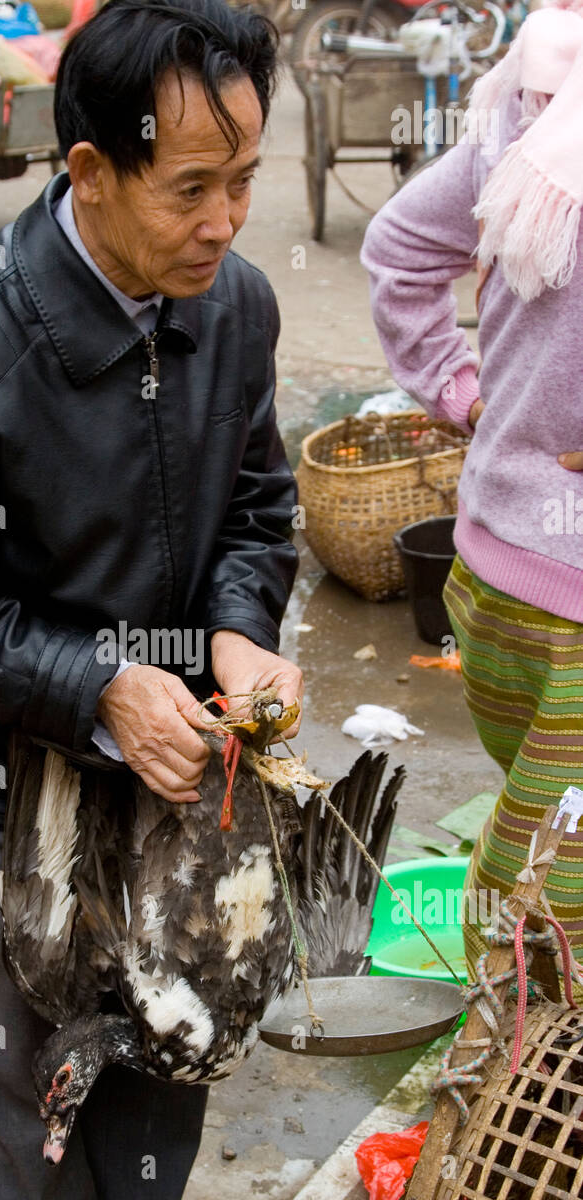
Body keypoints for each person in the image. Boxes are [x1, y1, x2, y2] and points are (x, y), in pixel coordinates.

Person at [0, 0, 304, 1200]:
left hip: (169, 776)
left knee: (162, 1050)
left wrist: (239, 629)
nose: (226, 221)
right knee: (30, 1109)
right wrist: (96, 682)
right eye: (192, 188)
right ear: (88, 173)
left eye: (247, 180)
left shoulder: (235, 306)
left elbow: (259, 509)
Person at [361, 1, 583, 987]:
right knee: (534, 915)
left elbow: (398, 246)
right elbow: (401, 249)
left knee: (534, 888)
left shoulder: (538, 86)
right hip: (540, 603)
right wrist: (465, 390)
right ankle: (516, 1113)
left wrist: (469, 396)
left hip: (491, 577)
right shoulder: (529, 105)